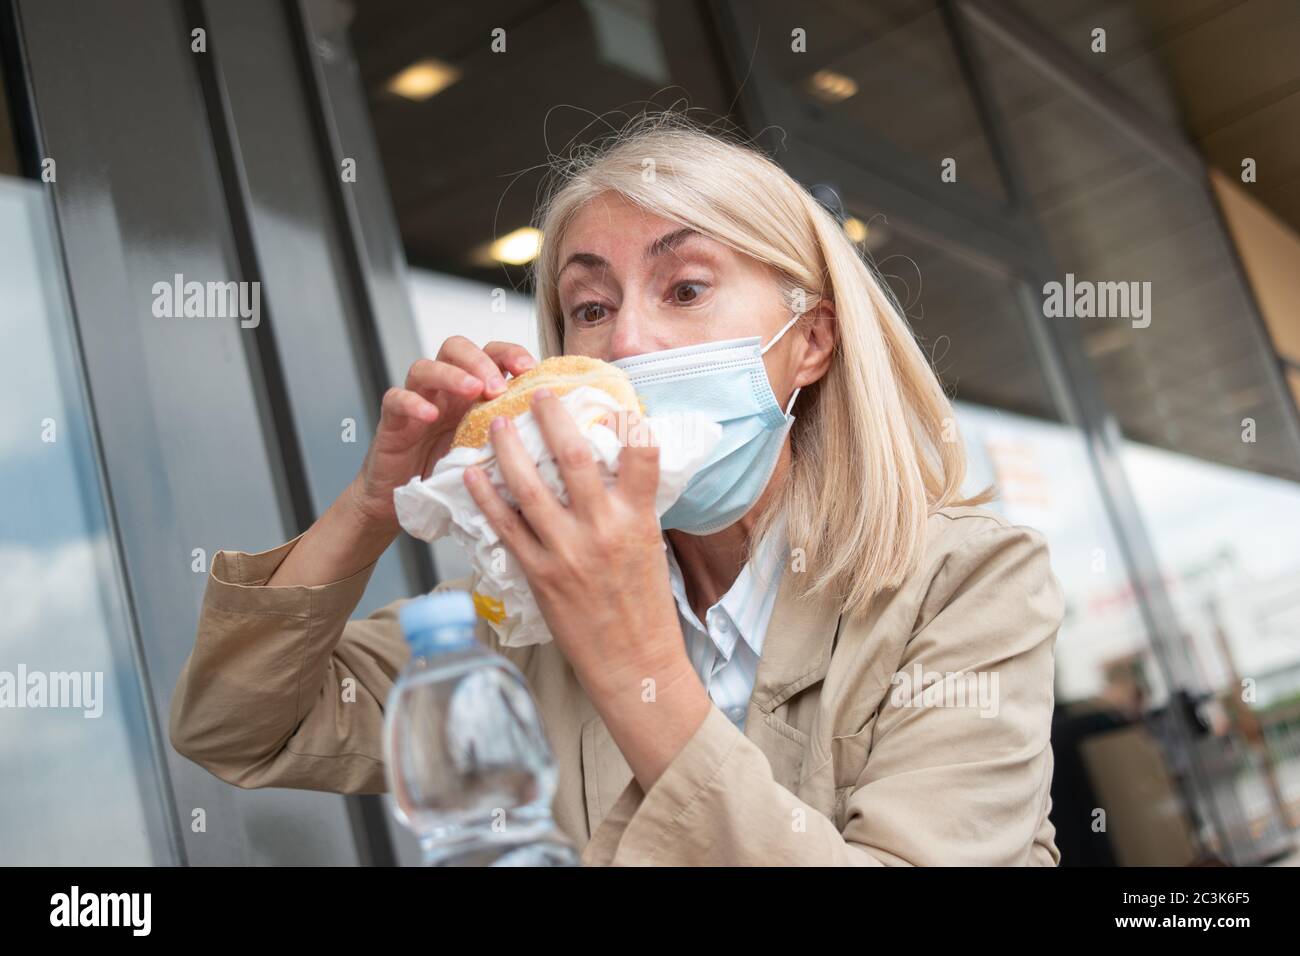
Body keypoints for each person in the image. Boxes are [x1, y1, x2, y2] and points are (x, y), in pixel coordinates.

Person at [169, 112, 1064, 865]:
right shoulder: (522, 608)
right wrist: (372, 506)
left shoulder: (967, 584)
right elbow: (237, 727)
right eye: (590, 309)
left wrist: (629, 651)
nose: (628, 345)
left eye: (684, 288)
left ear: (812, 341)